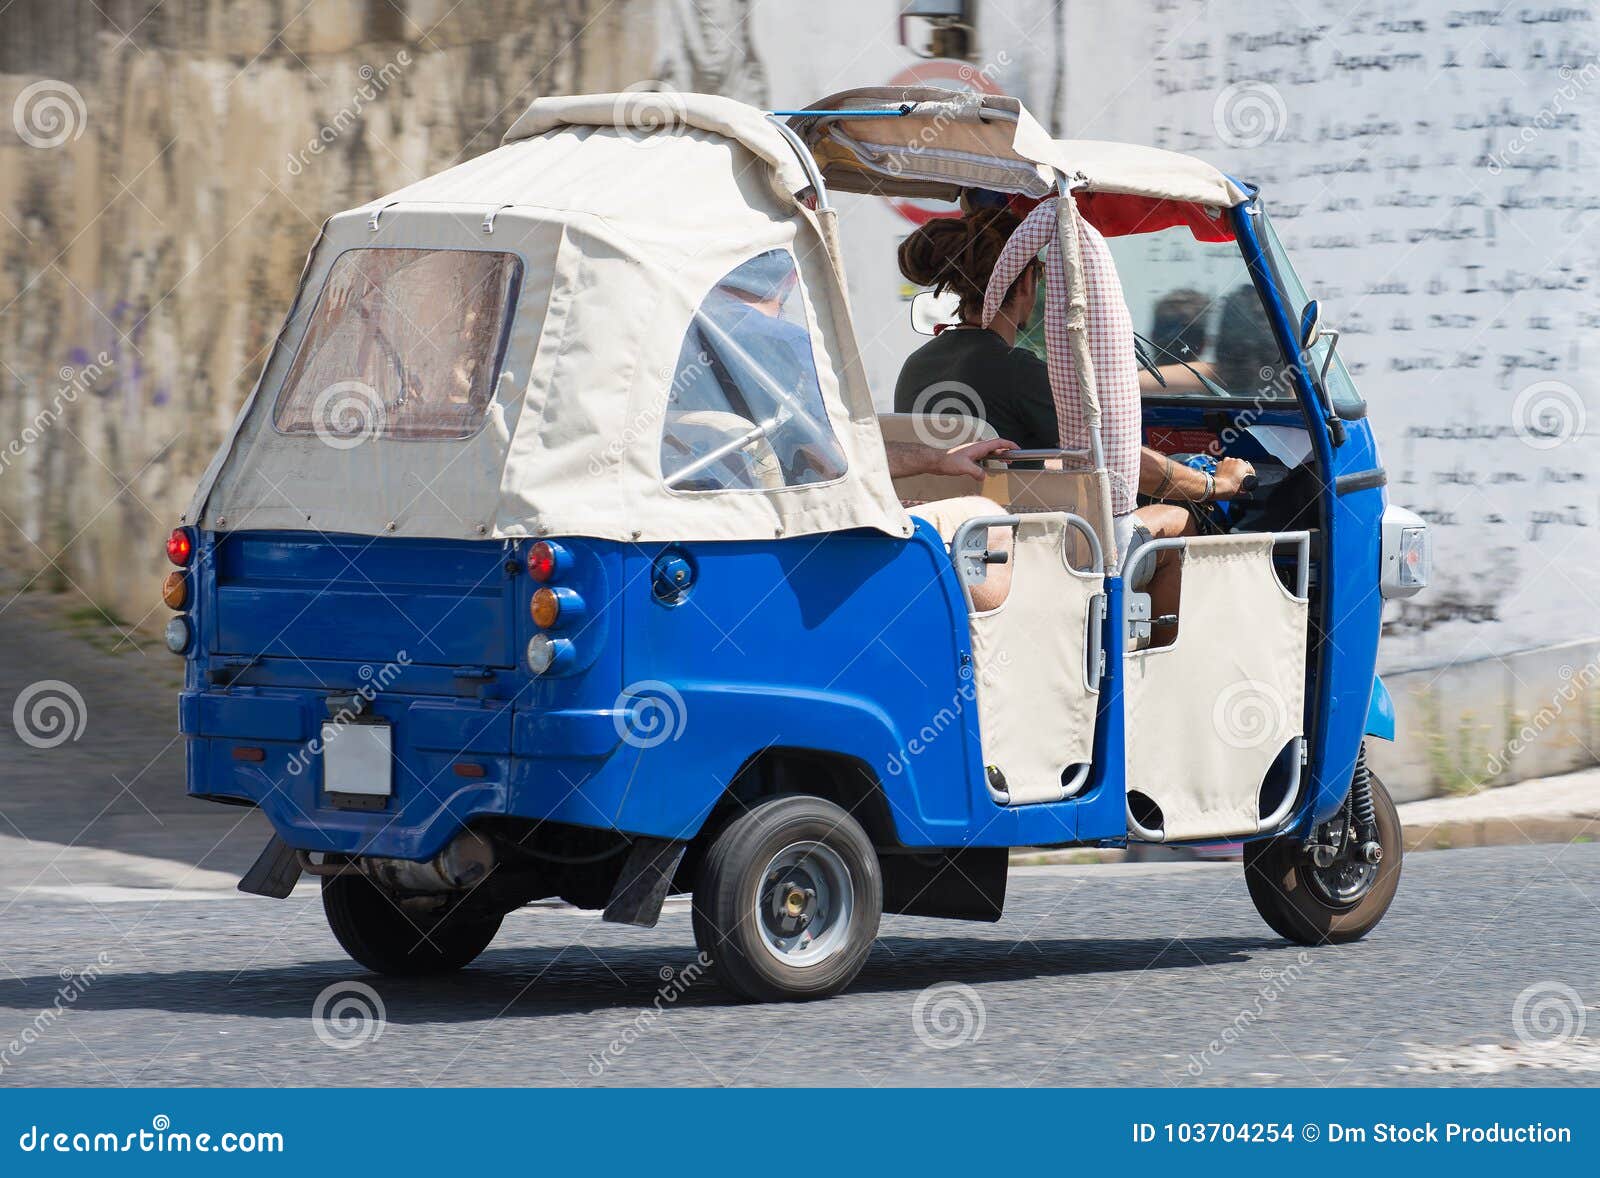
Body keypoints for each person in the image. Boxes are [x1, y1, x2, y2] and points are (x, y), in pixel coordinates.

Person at [893, 210, 1059, 449]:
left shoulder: (914, 367)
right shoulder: (1019, 370)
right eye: (1039, 273)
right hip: (1007, 489)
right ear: (1026, 280)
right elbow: (1104, 452)